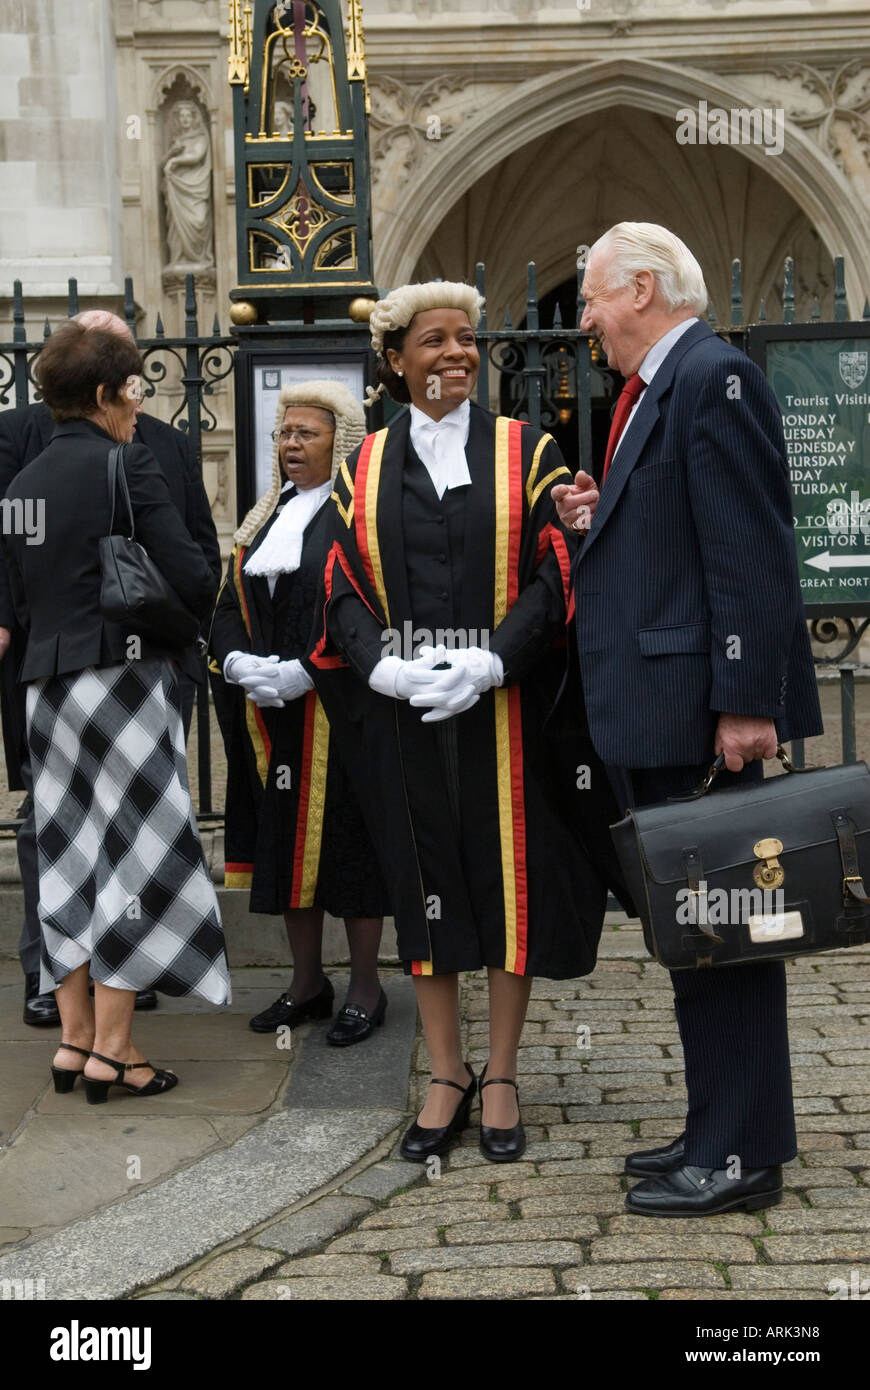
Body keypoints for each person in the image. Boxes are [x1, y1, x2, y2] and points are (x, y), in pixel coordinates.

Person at [309, 280, 620, 1162]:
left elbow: (558, 567)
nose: (455, 355)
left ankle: (506, 1070)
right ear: (396, 360)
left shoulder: (528, 450)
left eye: (467, 340)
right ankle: (447, 1073)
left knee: (506, 885)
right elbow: (337, 587)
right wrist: (387, 666)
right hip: (404, 716)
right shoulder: (360, 466)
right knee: (426, 885)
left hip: (503, 709)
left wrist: (492, 660)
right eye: (435, 342)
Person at [553, 221, 823, 1217]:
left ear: (644, 289)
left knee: (731, 934)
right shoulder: (660, 387)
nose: (583, 318)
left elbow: (750, 549)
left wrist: (748, 701)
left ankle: (743, 1153)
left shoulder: (712, 376)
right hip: (658, 713)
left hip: (699, 717)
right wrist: (601, 515)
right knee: (697, 933)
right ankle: (719, 1124)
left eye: (591, 298)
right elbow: (677, 534)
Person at [1, 321, 230, 1102]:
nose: (137, 403)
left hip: (45, 689)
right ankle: (116, 1049)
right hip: (124, 684)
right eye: (131, 388)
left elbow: (26, 598)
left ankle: (72, 1042)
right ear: (103, 394)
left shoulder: (21, 484)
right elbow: (197, 578)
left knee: (67, 857)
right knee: (135, 859)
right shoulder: (126, 463)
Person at [210, 381, 389, 1044]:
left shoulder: (357, 517)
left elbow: (370, 613)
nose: (290, 444)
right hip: (272, 721)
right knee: (287, 850)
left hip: (342, 717)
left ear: (337, 443)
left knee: (352, 851)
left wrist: (308, 670)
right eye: (285, 433)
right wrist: (236, 663)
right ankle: (307, 983)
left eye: (305, 434)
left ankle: (367, 987)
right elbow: (226, 608)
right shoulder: (262, 518)